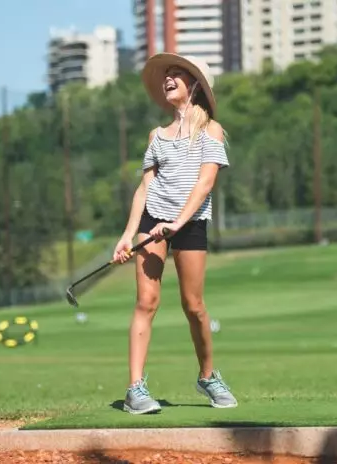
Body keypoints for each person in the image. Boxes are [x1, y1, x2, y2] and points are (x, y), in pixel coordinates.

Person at [112, 53, 237, 414]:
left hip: (190, 223)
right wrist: (128, 235)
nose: (168, 79)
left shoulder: (211, 130)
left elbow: (206, 183)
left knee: (194, 306)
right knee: (146, 302)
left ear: (194, 85)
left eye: (176, 74)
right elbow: (144, 189)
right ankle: (135, 389)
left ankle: (208, 376)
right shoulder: (157, 135)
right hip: (153, 224)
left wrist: (179, 222)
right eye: (166, 75)